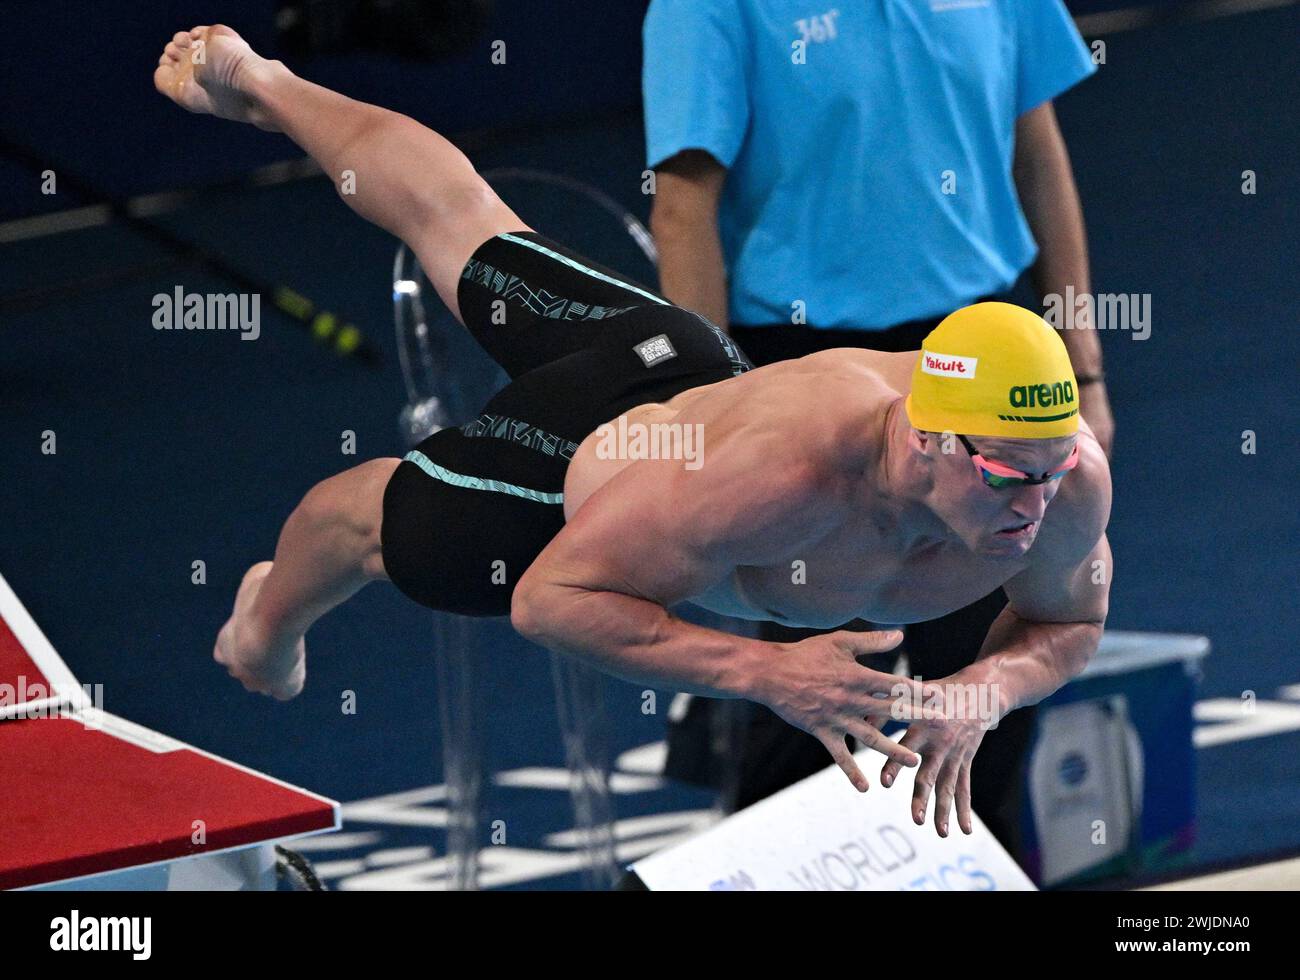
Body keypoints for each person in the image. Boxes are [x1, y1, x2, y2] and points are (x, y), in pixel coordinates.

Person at [155, 24, 1111, 837]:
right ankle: (262, 623)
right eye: (1006, 477)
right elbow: (548, 600)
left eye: (1051, 469)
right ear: (928, 441)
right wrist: (766, 672)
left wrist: (986, 690)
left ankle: (262, 80)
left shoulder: (1064, 479)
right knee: (360, 521)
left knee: (468, 220)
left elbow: (1068, 622)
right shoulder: (786, 477)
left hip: (676, 363)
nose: (1035, 507)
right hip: (586, 463)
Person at [643, 0, 1110, 849]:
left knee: (983, 693)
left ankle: (981, 861)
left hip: (989, 357)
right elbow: (682, 207)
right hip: (810, 378)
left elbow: (1037, 149)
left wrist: (1081, 364)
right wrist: (702, 408)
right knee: (812, 696)